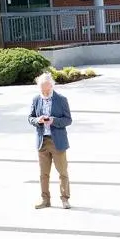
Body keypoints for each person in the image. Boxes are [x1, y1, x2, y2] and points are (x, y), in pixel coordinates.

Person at [30, 72, 72, 210]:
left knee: (62, 172)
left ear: (52, 86)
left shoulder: (61, 99)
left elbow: (68, 120)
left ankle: (65, 199)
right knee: (43, 174)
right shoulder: (36, 99)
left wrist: (54, 121)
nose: (45, 92)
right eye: (42, 90)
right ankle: (45, 200)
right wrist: (38, 120)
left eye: (47, 89)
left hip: (57, 141)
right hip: (42, 141)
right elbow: (30, 117)